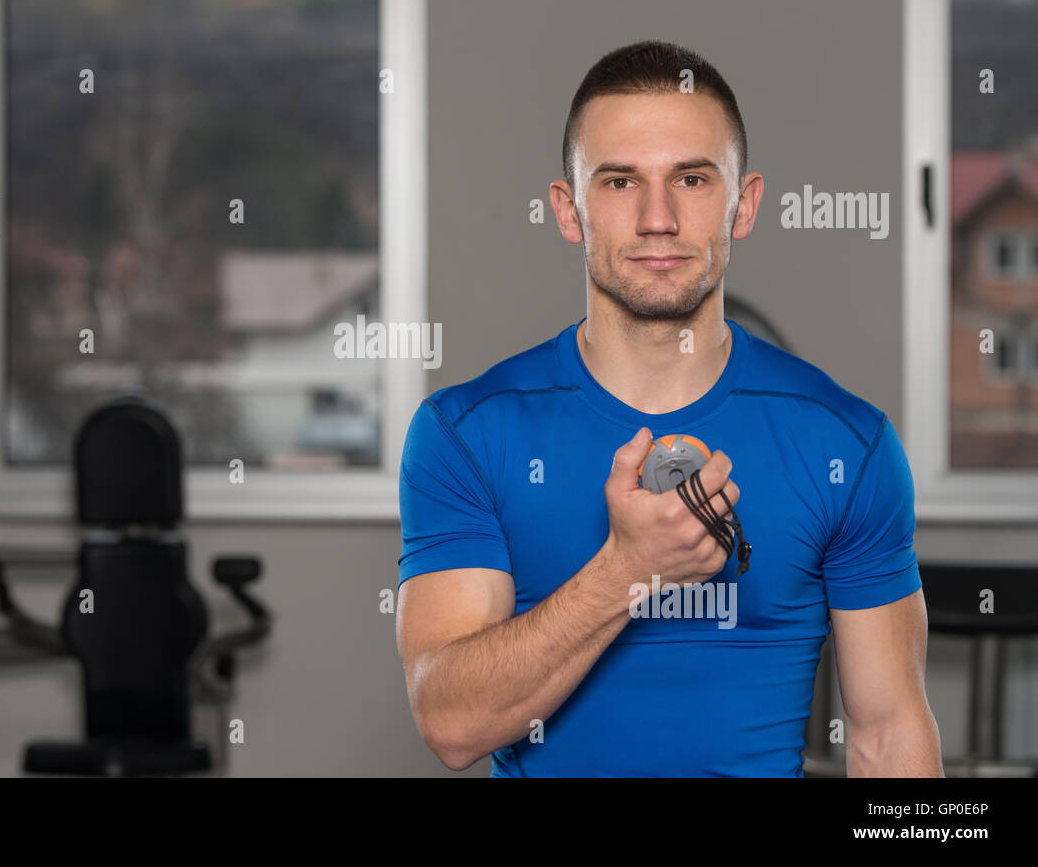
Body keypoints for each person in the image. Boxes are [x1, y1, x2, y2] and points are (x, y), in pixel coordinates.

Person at [395, 40, 943, 777]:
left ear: (743, 204)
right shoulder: (466, 434)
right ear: (569, 210)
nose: (658, 217)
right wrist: (626, 572)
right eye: (620, 181)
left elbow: (887, 735)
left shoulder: (848, 442)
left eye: (691, 178)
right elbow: (451, 724)